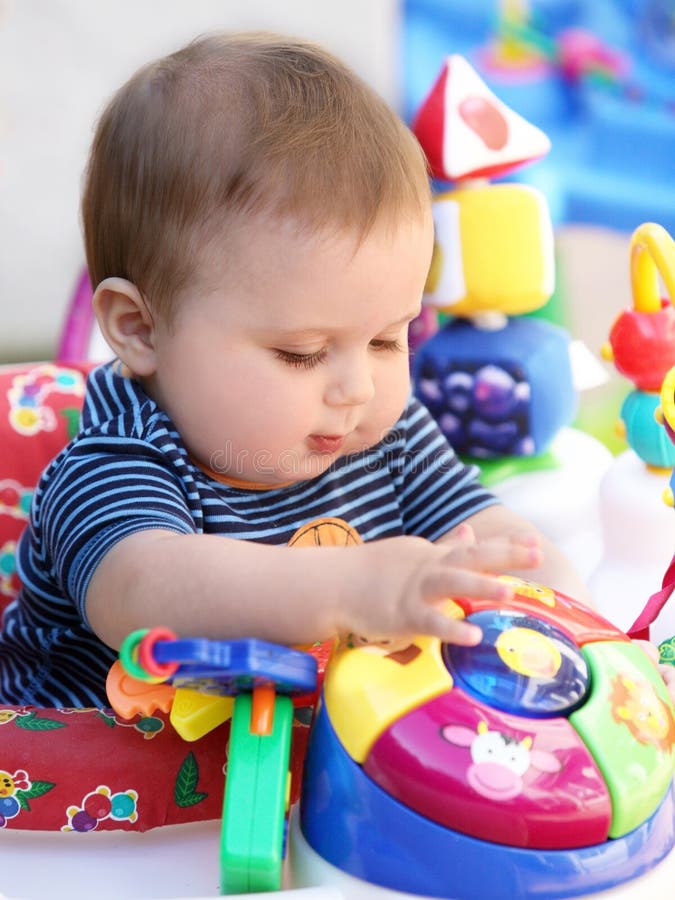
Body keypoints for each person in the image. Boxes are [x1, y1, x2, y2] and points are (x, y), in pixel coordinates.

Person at [0, 32, 623, 708]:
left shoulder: (388, 436)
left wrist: (583, 635)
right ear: (140, 329)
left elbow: (492, 541)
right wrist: (352, 587)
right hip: (99, 789)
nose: (356, 389)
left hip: (319, 774)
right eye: (300, 353)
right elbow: (148, 592)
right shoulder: (115, 464)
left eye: (389, 340)